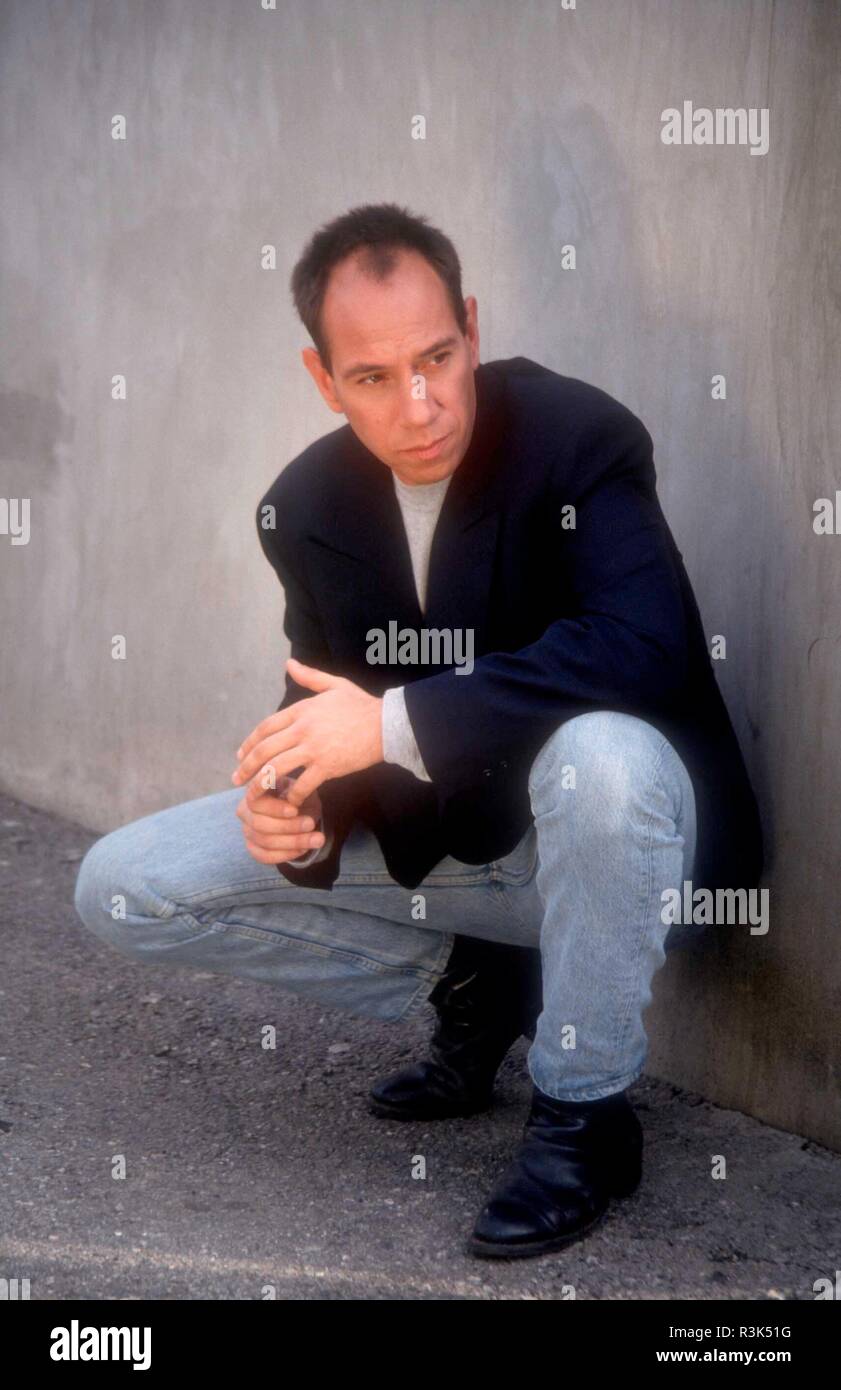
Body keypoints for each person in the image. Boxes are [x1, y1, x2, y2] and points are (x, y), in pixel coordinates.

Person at [74, 202, 763, 1260]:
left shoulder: (579, 438)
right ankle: (474, 987)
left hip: (636, 854)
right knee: (123, 882)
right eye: (375, 376)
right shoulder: (305, 505)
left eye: (439, 355)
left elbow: (641, 646)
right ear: (321, 378)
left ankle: (584, 1115)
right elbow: (323, 704)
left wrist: (397, 719)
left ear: (472, 327)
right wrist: (295, 811)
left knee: (602, 759)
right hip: (467, 858)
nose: (423, 401)